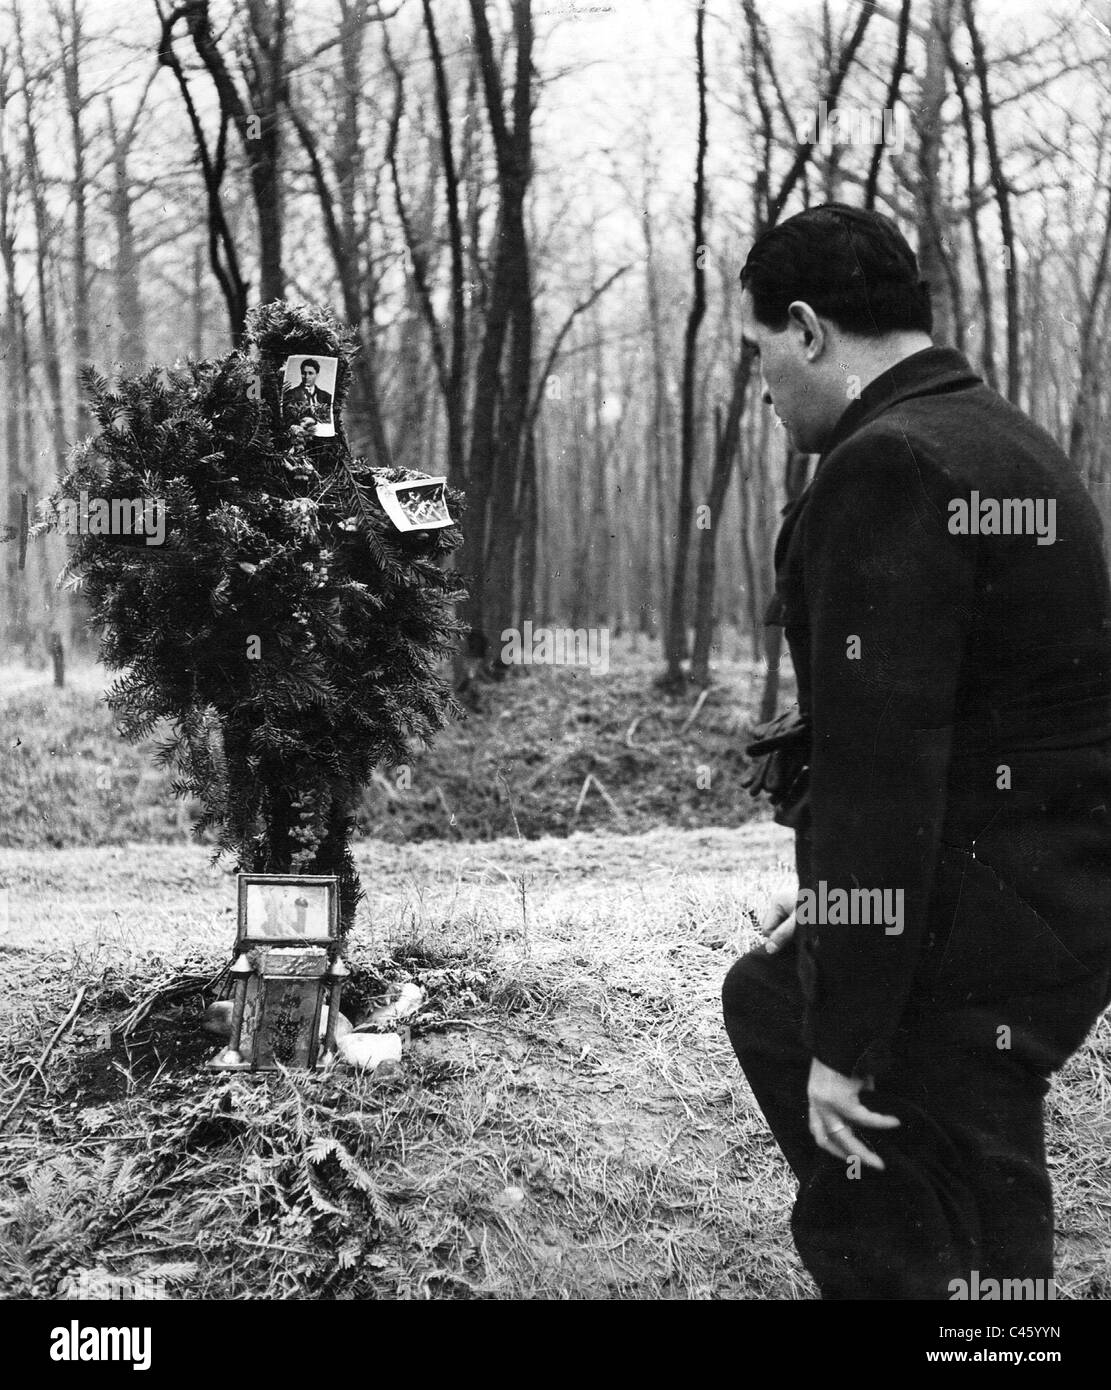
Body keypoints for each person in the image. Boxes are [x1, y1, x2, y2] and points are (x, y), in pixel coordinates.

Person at [723, 203, 1111, 1300]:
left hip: (976, 931)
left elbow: (878, 773)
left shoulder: (886, 466)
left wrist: (844, 1037)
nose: (760, 389)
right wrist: (840, 908)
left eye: (759, 353)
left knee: (910, 1156)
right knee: (773, 1000)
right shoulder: (999, 435)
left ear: (805, 330)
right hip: (1051, 901)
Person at [282, 358, 333, 432]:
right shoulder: (290, 394)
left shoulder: (327, 396)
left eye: (310, 373)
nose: (306, 377)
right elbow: (286, 419)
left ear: (317, 375)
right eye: (303, 373)